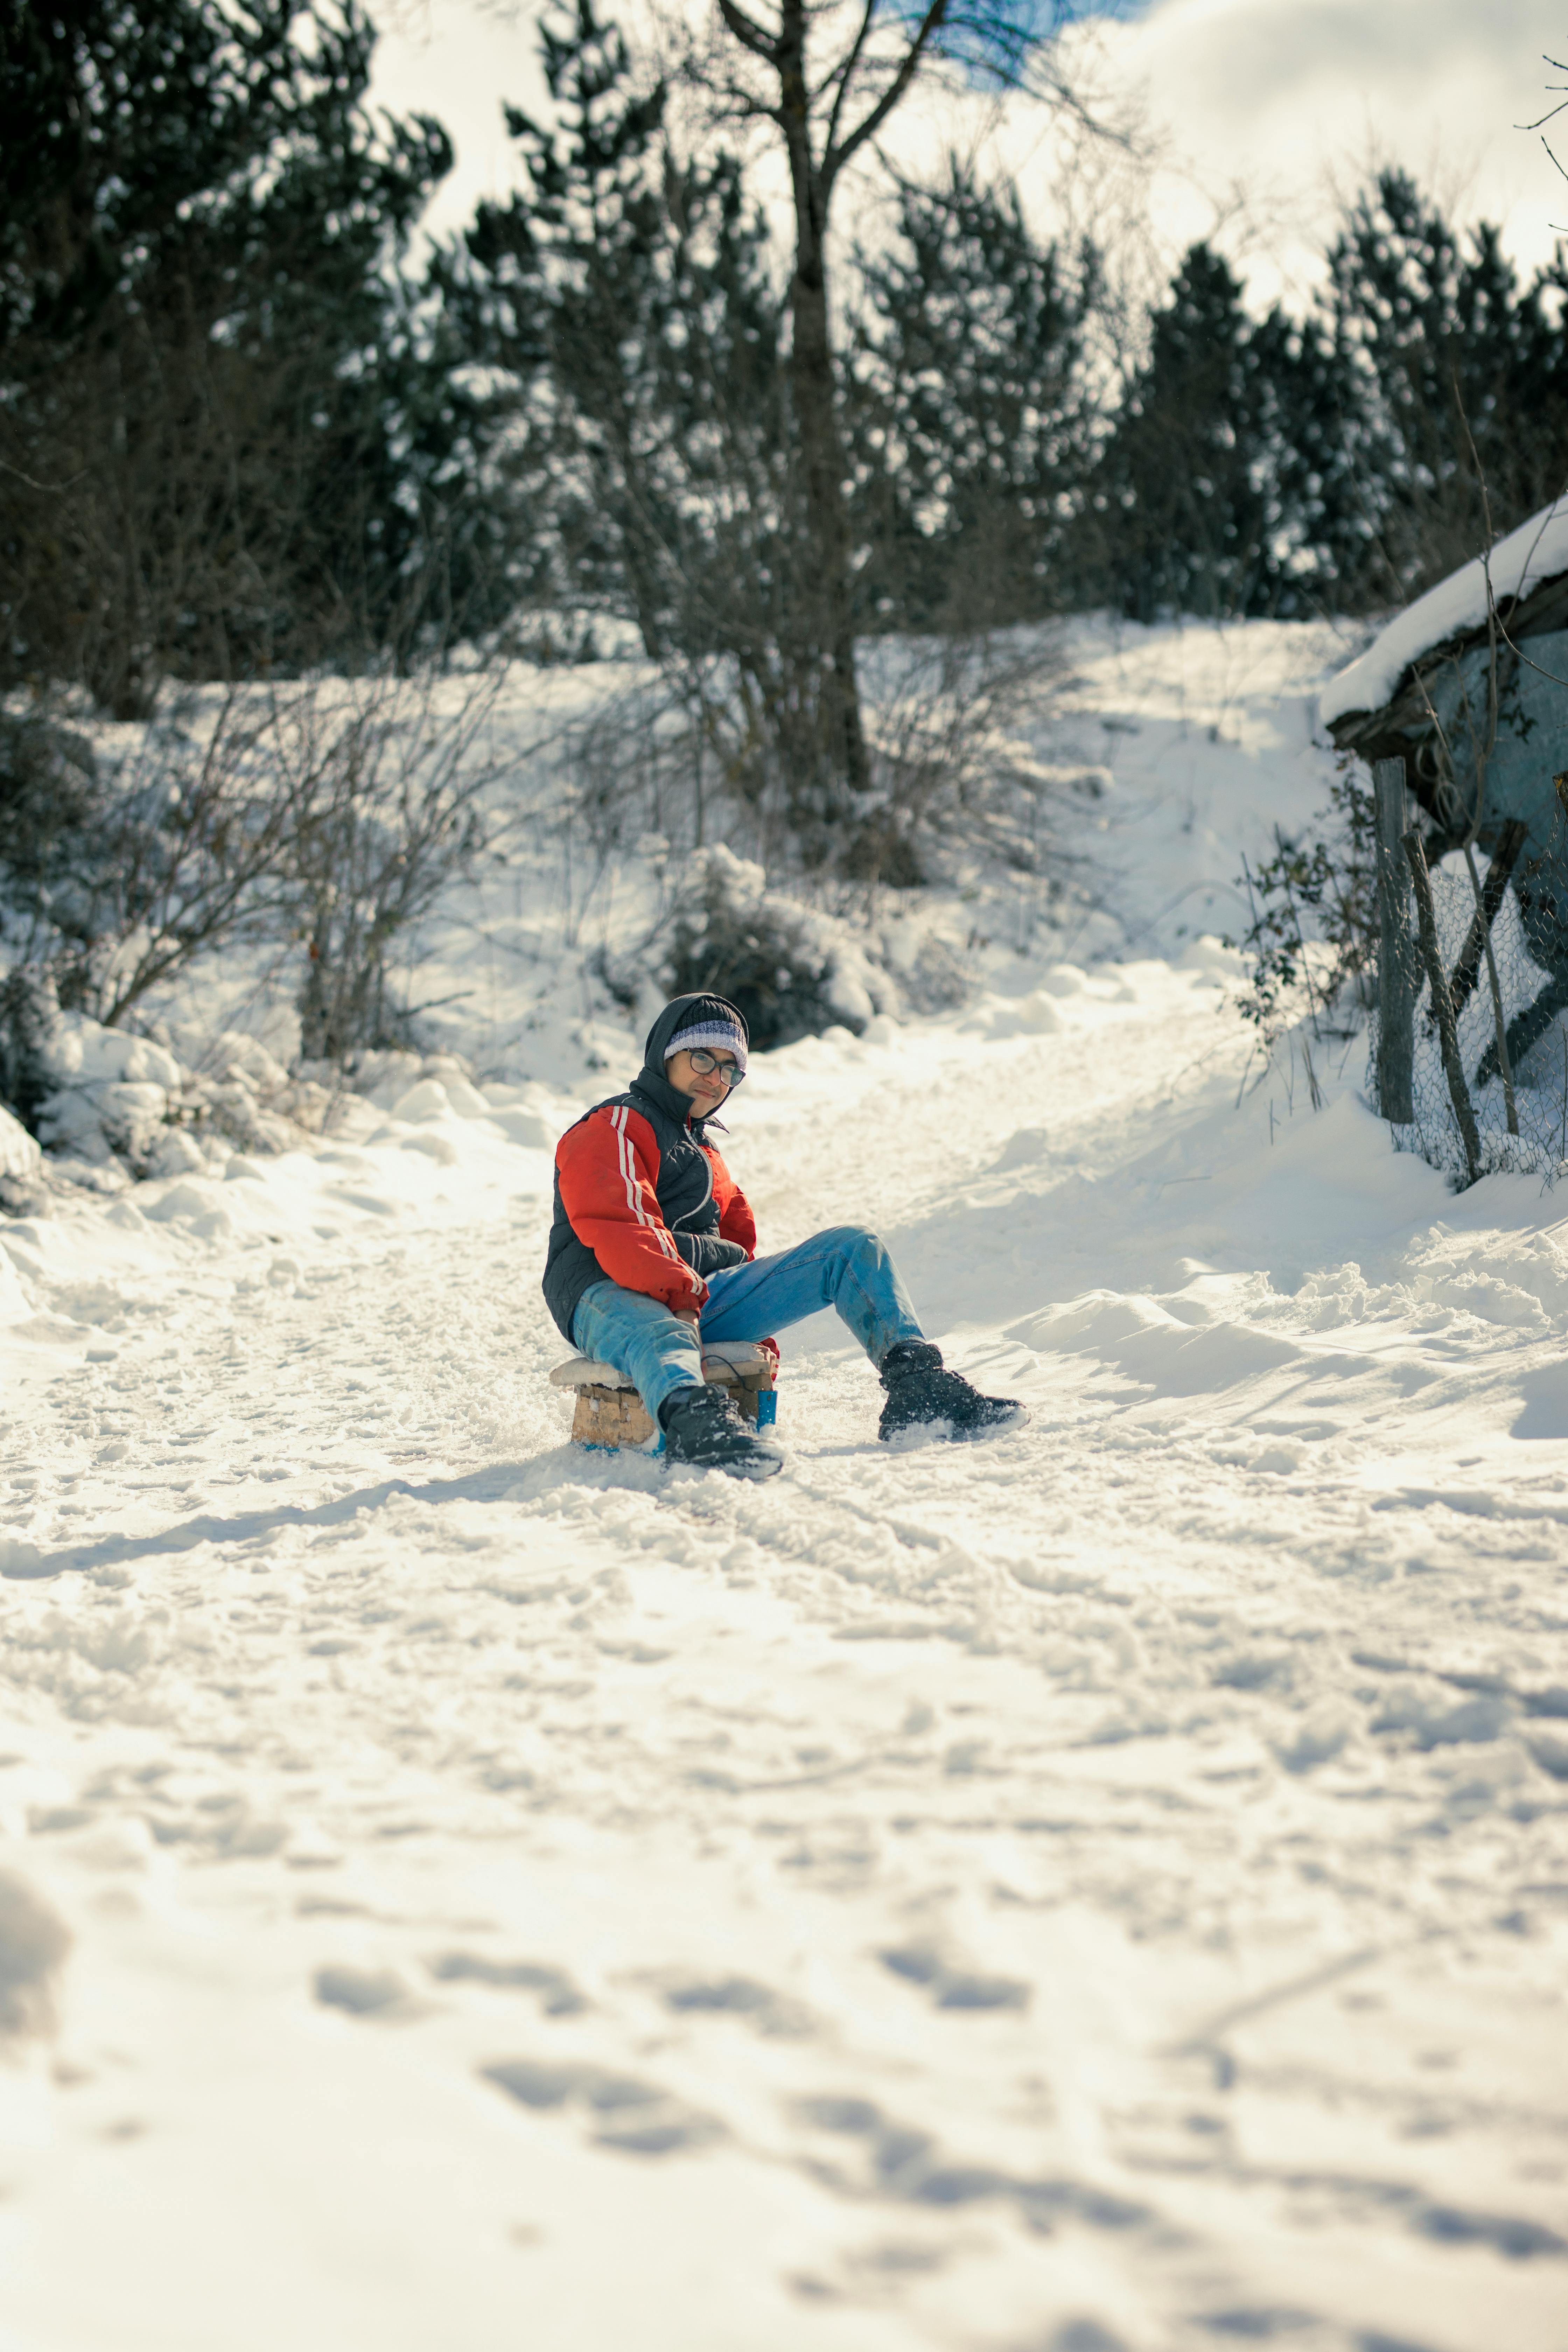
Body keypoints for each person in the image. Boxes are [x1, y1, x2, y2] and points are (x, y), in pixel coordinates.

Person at [542, 992, 1026, 1478]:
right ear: (666, 1053)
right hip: (604, 1293)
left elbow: (738, 1258)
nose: (715, 1078)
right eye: (703, 1058)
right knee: (660, 1329)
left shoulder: (707, 1155)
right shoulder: (616, 1126)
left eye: (730, 1069)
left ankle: (919, 1388)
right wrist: (683, 1297)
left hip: (691, 1298)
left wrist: (758, 1346)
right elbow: (622, 1225)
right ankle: (695, 1428)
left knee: (852, 1248)